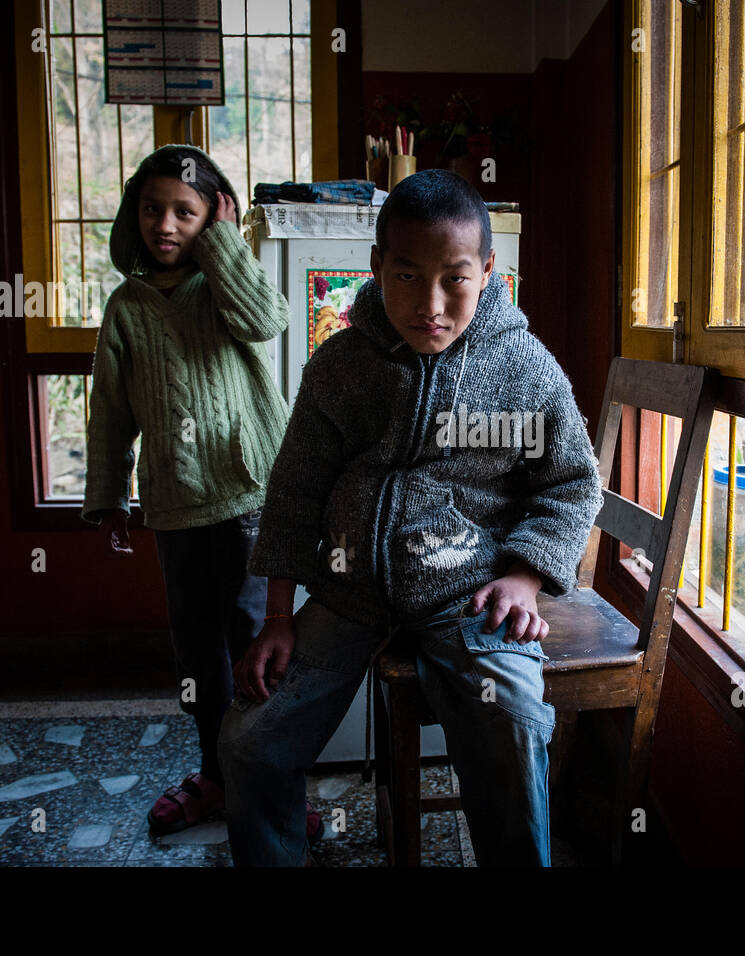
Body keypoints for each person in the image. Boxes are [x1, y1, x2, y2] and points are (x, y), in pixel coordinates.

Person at [219, 169, 604, 866]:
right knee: (250, 739)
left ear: (488, 270)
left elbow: (573, 483)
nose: (430, 304)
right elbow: (294, 489)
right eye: (405, 276)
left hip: (468, 594)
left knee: (513, 716)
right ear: (375, 269)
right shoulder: (340, 365)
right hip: (347, 594)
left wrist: (524, 577)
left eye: (454, 278)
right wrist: (278, 616)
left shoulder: (527, 369)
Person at [81, 144, 322, 841]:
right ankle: (217, 778)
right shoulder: (125, 308)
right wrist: (107, 496)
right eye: (153, 209)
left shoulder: (224, 284)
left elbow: (269, 319)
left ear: (212, 220)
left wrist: (223, 245)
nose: (166, 224)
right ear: (134, 215)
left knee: (259, 651)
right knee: (198, 659)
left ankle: (271, 786)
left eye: (186, 213)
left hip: (250, 498)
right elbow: (110, 413)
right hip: (176, 505)